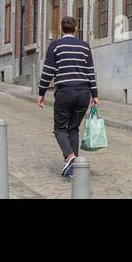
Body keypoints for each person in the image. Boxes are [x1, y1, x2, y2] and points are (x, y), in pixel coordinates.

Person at [36, 16, 99, 178]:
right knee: (73, 129)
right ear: (76, 29)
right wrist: (95, 95)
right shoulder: (85, 47)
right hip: (84, 93)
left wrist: (41, 93)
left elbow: (48, 71)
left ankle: (70, 156)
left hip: (65, 92)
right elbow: (90, 71)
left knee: (59, 129)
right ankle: (73, 167)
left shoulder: (55, 46)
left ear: (62, 29)